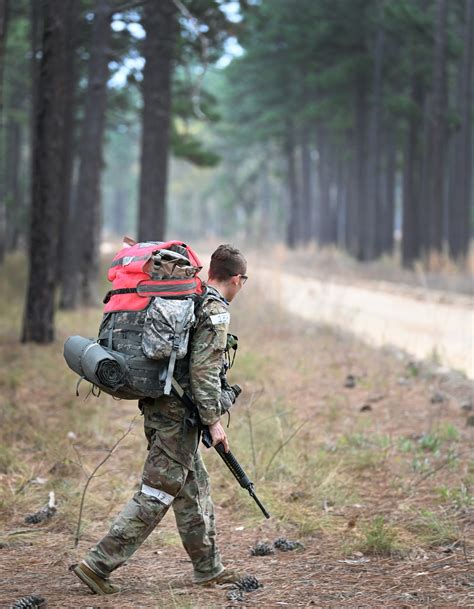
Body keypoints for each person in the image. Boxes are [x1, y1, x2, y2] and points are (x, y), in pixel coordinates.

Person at [72, 244, 248, 595]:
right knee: (158, 491)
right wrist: (214, 421)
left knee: (192, 487)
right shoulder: (213, 308)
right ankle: (98, 563)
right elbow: (204, 373)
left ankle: (208, 567)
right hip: (177, 416)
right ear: (238, 279)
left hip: (160, 406)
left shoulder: (192, 297)